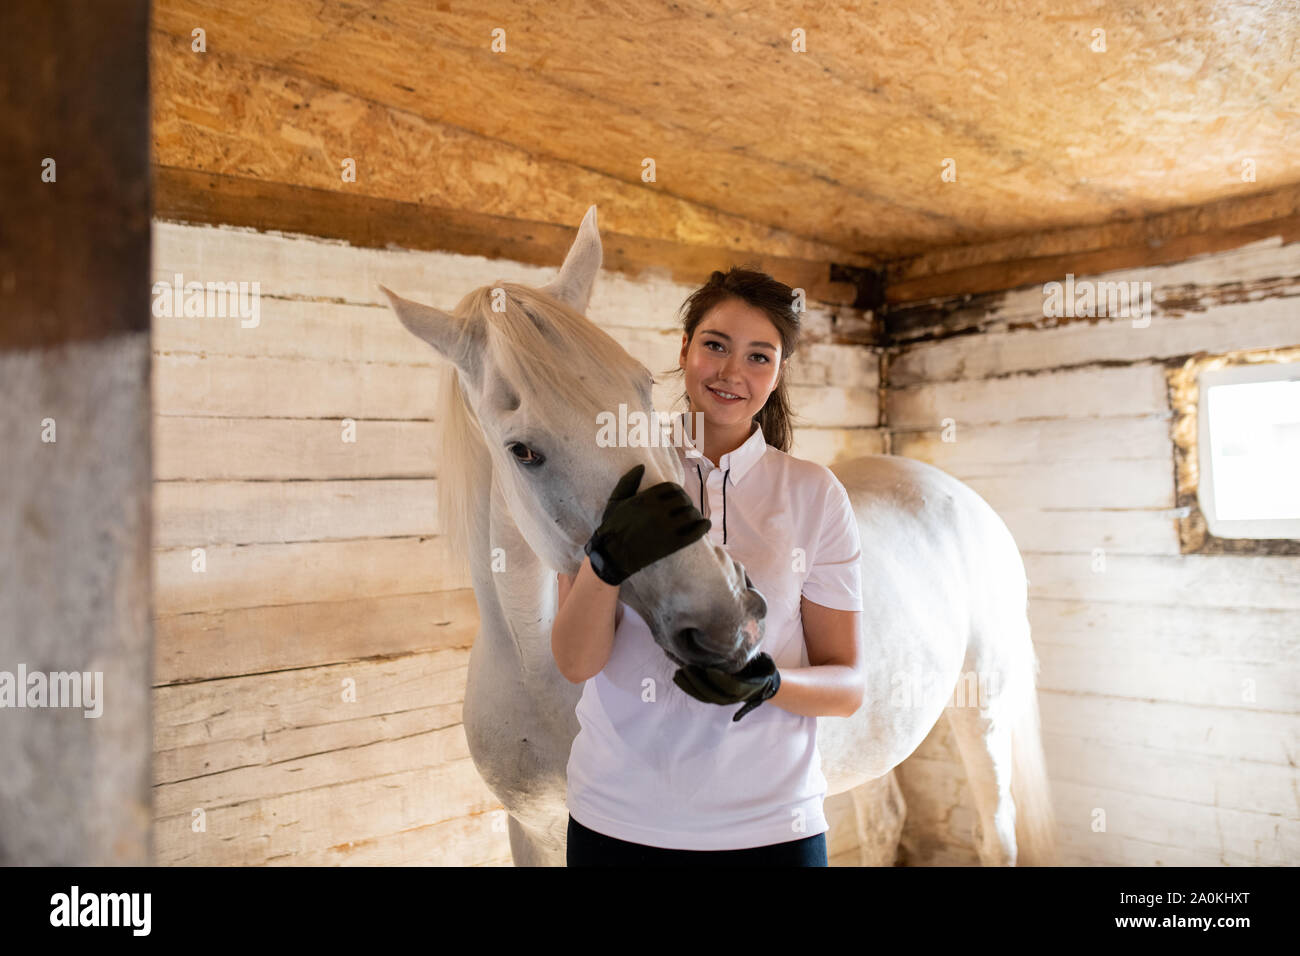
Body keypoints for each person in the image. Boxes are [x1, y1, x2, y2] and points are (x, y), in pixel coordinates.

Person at [552, 267, 865, 867]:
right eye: (715, 345)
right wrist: (604, 564)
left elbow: (847, 684)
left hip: (774, 829)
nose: (731, 372)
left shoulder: (814, 495)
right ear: (685, 351)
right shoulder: (616, 473)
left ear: (777, 375)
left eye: (758, 356)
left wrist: (770, 682)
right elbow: (574, 661)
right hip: (616, 822)